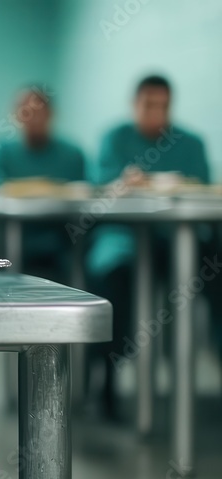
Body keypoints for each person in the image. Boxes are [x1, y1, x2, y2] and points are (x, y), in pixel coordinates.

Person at [88, 75, 212, 419]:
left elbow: (202, 191)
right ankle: (107, 381)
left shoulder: (191, 144)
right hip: (123, 239)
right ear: (134, 105)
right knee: (112, 278)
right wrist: (124, 184)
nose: (156, 113)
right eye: (148, 105)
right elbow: (100, 189)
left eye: (163, 106)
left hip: (178, 241)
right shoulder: (115, 139)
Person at [0, 86, 86, 282]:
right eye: (25, 111)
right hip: (9, 241)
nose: (32, 118)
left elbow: (84, 195)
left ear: (51, 114)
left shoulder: (72, 155)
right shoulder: (2, 153)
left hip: (61, 240)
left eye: (39, 111)